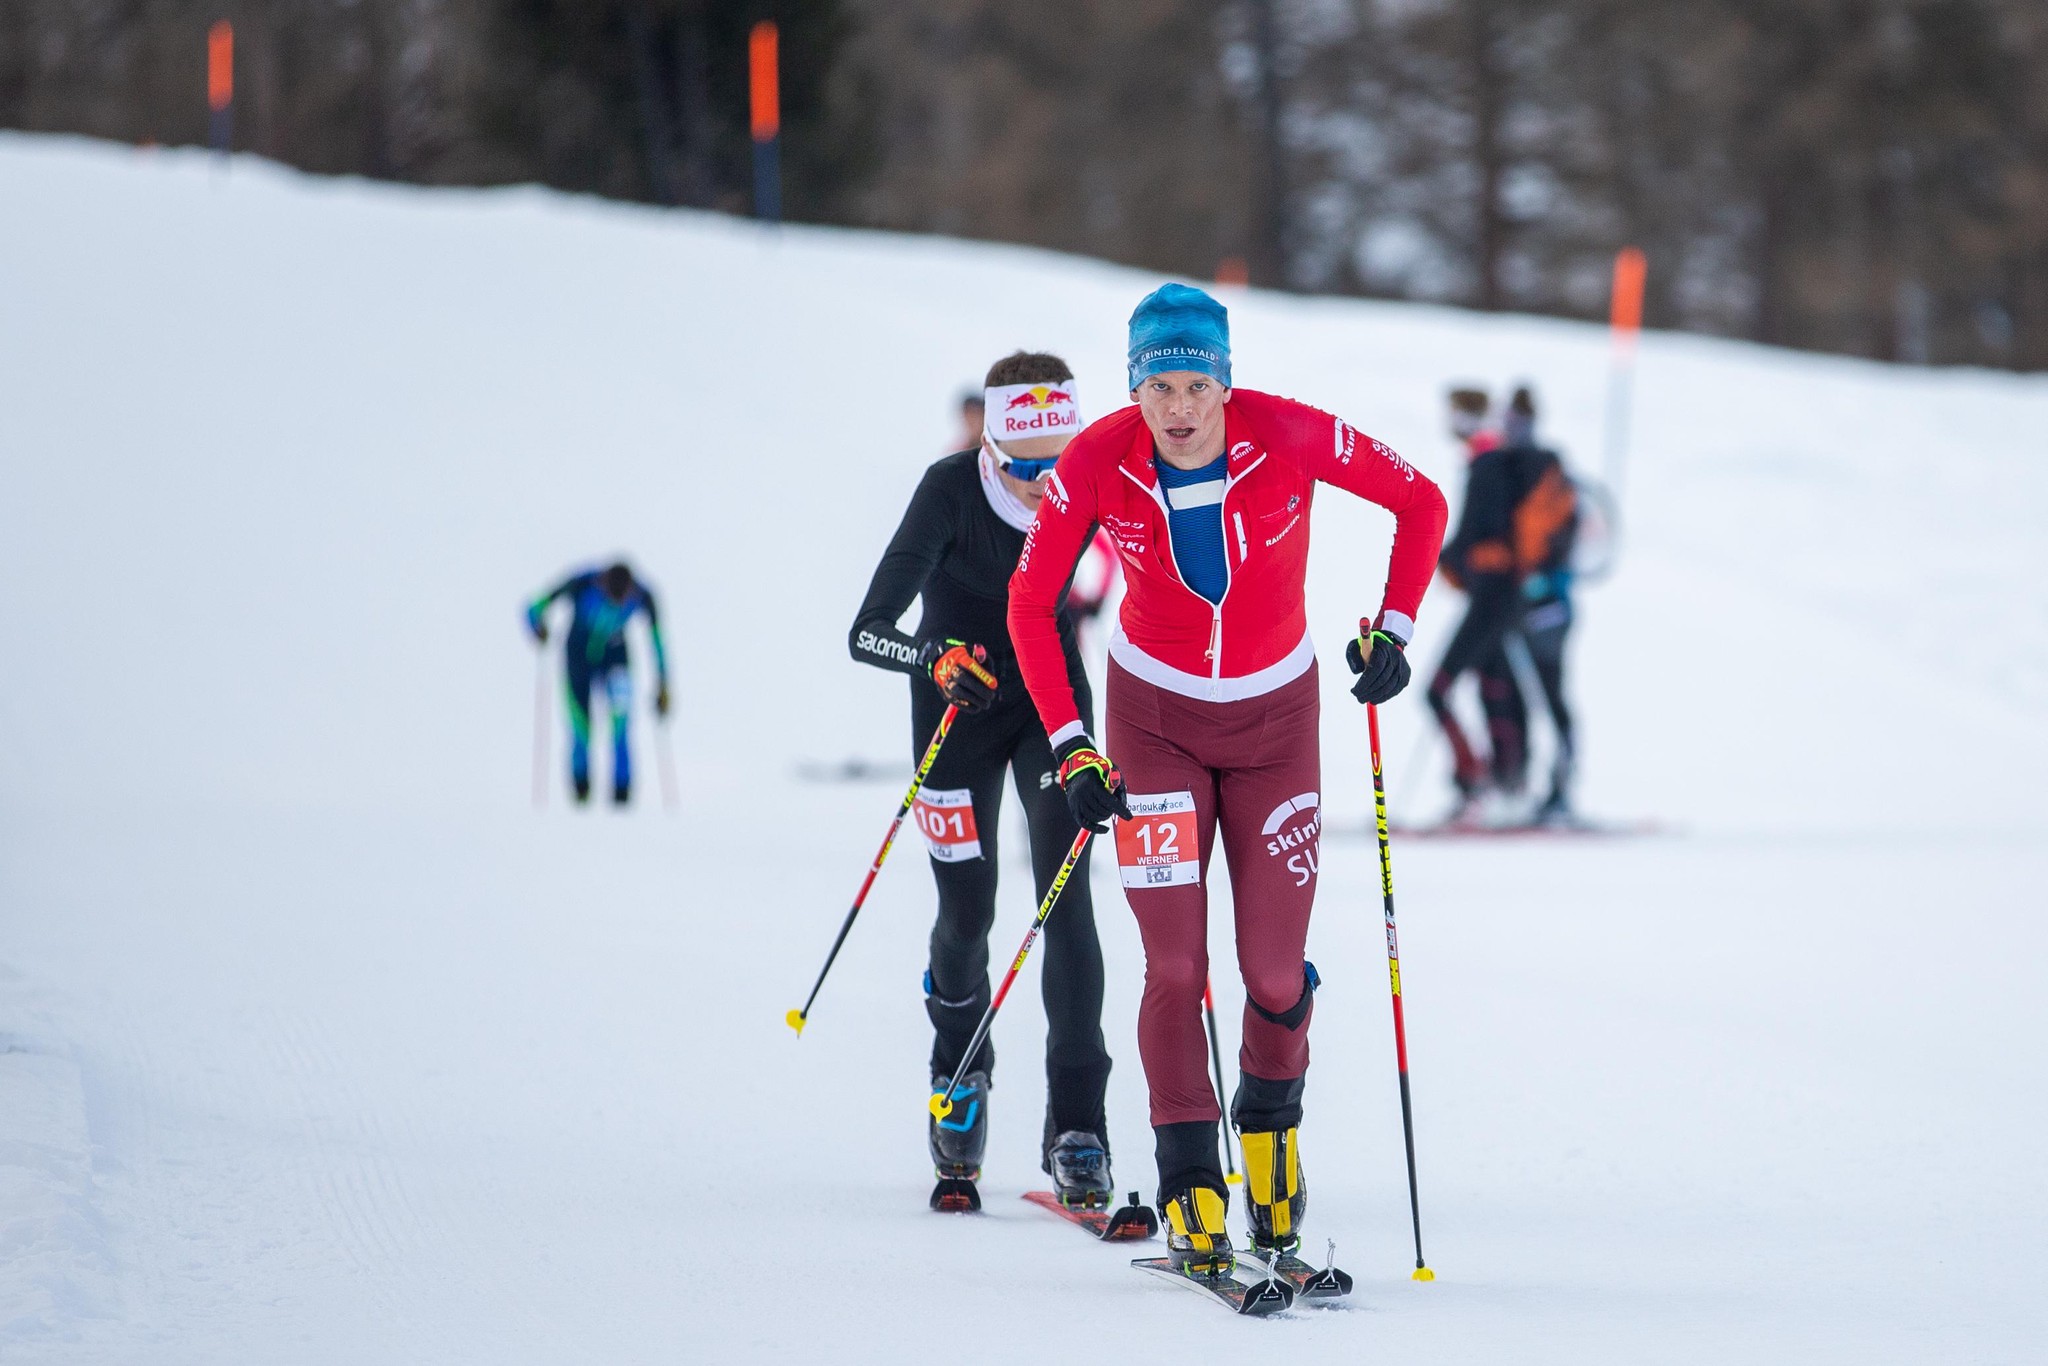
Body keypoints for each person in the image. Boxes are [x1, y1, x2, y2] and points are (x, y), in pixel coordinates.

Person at [1006, 284, 1448, 1275]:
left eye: (1195, 381)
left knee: (1274, 974)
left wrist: (1397, 631)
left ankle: (1270, 1136)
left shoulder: (1288, 436)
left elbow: (1420, 502)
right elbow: (1029, 604)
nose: (1177, 405)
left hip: (1275, 725)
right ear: (1134, 386)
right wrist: (1073, 744)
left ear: (1223, 378)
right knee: (1172, 966)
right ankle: (1188, 1176)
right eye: (1157, 384)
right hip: (1152, 722)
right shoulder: (1093, 460)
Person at [849, 351, 1116, 1208]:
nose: (1046, 484)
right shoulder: (950, 488)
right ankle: (958, 1067)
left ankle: (1079, 1124)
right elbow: (868, 630)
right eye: (1025, 466)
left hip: (1053, 708)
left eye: (1059, 462)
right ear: (991, 444)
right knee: (967, 909)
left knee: (1065, 899)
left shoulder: (1090, 479)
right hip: (957, 712)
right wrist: (934, 659)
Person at [1428, 385, 1578, 823]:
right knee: (1499, 688)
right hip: (1506, 600)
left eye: (1456, 413)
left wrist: (1453, 561)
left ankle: (1478, 784)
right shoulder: (1502, 462)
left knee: (1439, 689)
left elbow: (1484, 536)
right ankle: (1506, 782)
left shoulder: (1490, 464)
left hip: (1495, 601)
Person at [525, 561, 669, 805]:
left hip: (615, 658)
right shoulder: (582, 583)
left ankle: (622, 798)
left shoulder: (642, 595)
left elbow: (656, 639)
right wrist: (538, 627)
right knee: (582, 729)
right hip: (578, 659)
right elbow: (533, 607)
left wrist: (663, 683)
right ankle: (581, 792)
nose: (618, 604)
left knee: (621, 727)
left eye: (623, 600)